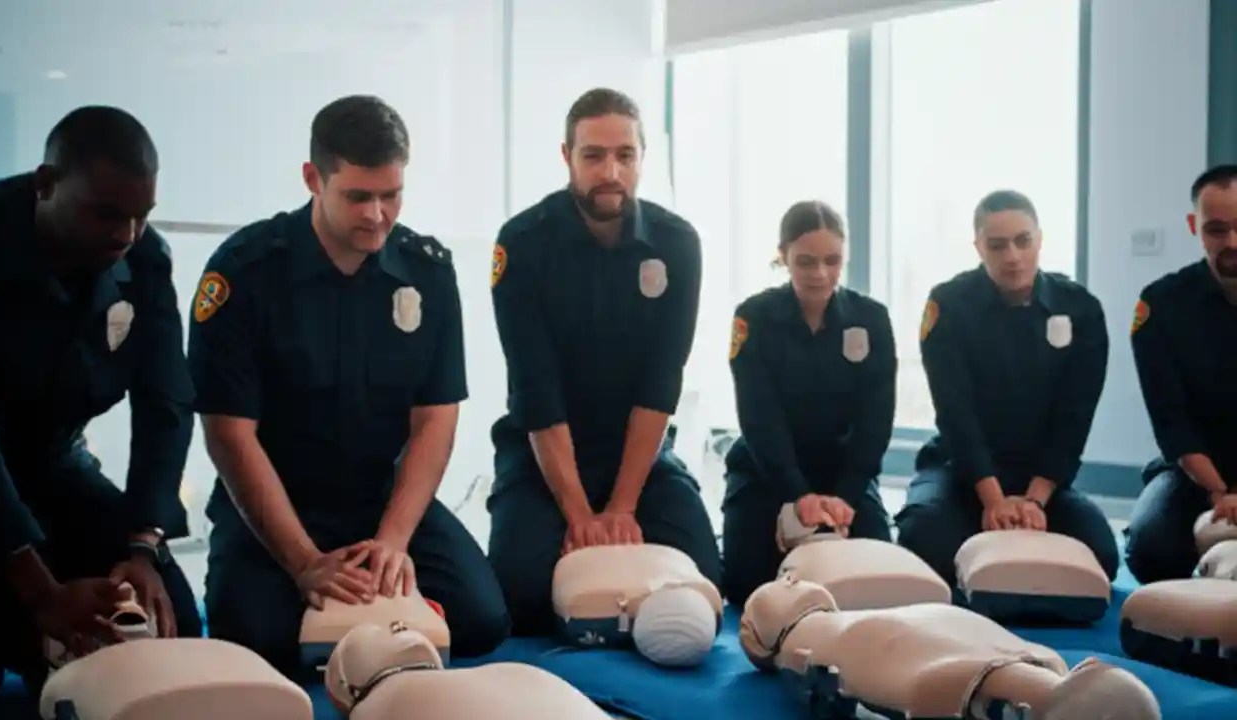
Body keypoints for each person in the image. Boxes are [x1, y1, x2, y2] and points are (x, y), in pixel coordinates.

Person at [187, 95, 509, 676]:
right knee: (257, 640)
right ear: (314, 179)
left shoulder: (428, 272)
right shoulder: (244, 271)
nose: (378, 215)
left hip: (377, 498)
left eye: (392, 195)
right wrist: (303, 562)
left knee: (483, 621)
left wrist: (393, 541)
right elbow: (229, 435)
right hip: (276, 502)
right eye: (358, 197)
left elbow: (435, 418)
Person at [0, 106, 200, 709]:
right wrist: (40, 591)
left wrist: (142, 546)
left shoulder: (144, 259)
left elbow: (166, 403)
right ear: (46, 184)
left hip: (54, 465)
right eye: (107, 214)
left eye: (142, 215)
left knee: (170, 619)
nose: (127, 234)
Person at [486, 87, 721, 635]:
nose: (610, 171)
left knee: (707, 578)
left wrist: (621, 508)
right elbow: (536, 389)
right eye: (593, 155)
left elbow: (660, 383)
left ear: (642, 158)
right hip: (541, 455)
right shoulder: (522, 243)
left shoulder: (677, 243)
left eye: (625, 155)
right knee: (519, 595)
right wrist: (580, 517)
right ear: (566, 157)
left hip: (637, 456)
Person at [894, 189, 1120, 593]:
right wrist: (994, 501)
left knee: (1102, 555)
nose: (1012, 256)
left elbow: (1074, 417)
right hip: (960, 471)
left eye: (1023, 241)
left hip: (1040, 476)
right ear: (979, 247)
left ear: (1040, 240)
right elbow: (955, 413)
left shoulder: (1080, 308)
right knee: (923, 541)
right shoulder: (949, 305)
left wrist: (1033, 502)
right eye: (997, 245)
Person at [720, 200, 897, 607]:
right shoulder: (755, 317)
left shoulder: (871, 319)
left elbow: (876, 419)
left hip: (842, 473)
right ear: (783, 256)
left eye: (832, 261)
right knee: (747, 582)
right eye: (806, 261)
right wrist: (798, 494)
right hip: (768, 470)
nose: (820, 274)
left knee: (876, 573)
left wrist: (847, 495)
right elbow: (758, 415)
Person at [1124, 164, 1237, 583]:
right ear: (1194, 227)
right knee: (1151, 552)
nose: (1232, 242)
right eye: (1216, 230)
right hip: (1192, 471)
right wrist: (1220, 492)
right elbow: (1171, 421)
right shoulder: (1162, 305)